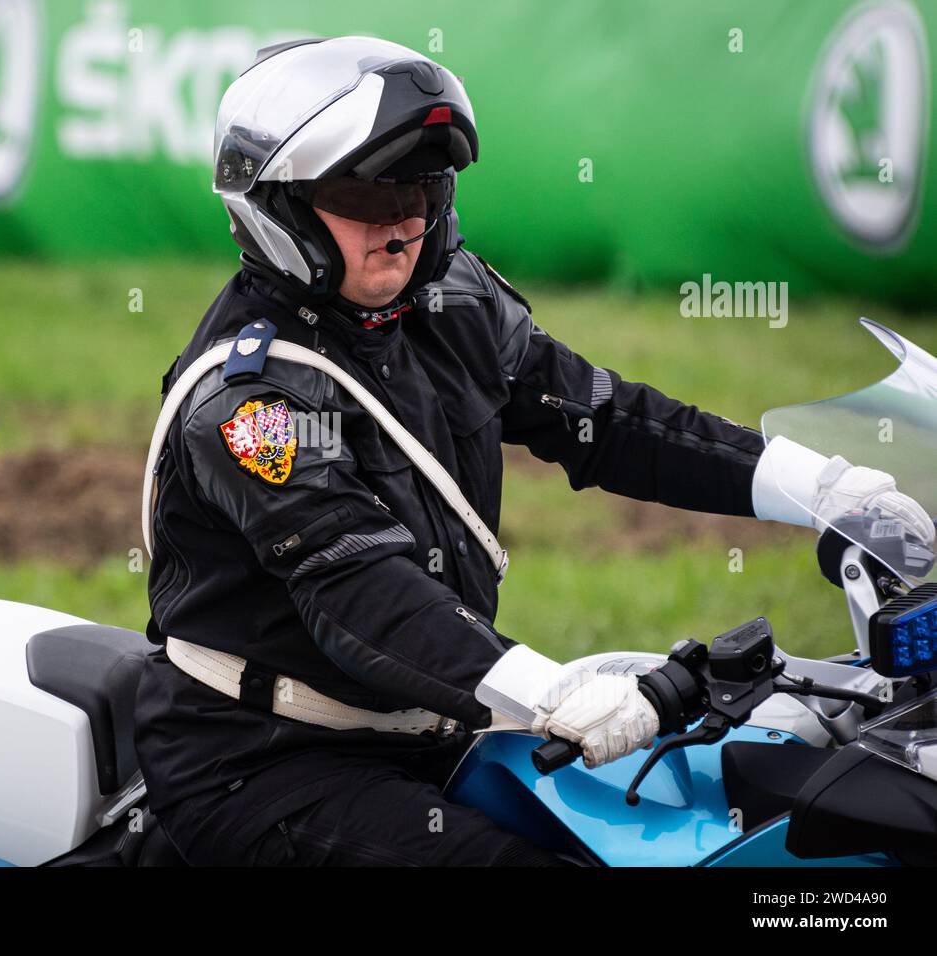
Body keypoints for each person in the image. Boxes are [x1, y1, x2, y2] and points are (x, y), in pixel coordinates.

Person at [132, 36, 933, 866]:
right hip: (264, 760)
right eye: (365, 196)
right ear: (281, 205)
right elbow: (359, 591)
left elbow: (611, 421)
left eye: (421, 188)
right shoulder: (251, 400)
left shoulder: (447, 308)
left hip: (436, 725)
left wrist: (824, 487)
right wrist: (557, 694)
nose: (403, 222)